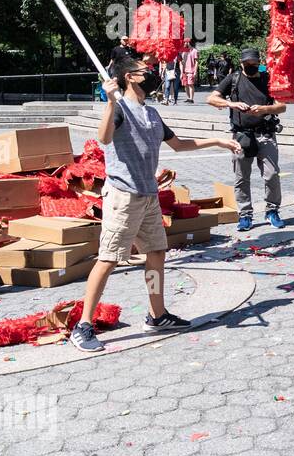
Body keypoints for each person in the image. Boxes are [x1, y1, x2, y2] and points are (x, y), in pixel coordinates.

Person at [70, 52, 241, 353]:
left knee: (156, 252)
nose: (150, 72)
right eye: (143, 69)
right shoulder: (120, 109)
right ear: (129, 77)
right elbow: (104, 138)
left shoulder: (151, 113)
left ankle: (157, 314)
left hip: (148, 195)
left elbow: (178, 145)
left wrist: (217, 141)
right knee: (109, 258)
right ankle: (83, 326)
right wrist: (110, 102)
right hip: (123, 196)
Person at [207, 47, 286, 232]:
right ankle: (245, 214)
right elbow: (212, 98)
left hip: (265, 134)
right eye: (248, 64)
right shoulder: (233, 79)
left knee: (272, 174)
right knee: (242, 177)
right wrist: (231, 103)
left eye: (254, 64)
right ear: (241, 62)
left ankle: (272, 211)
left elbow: (282, 106)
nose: (251, 66)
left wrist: (265, 109)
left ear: (259, 63)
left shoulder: (267, 79)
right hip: (242, 135)